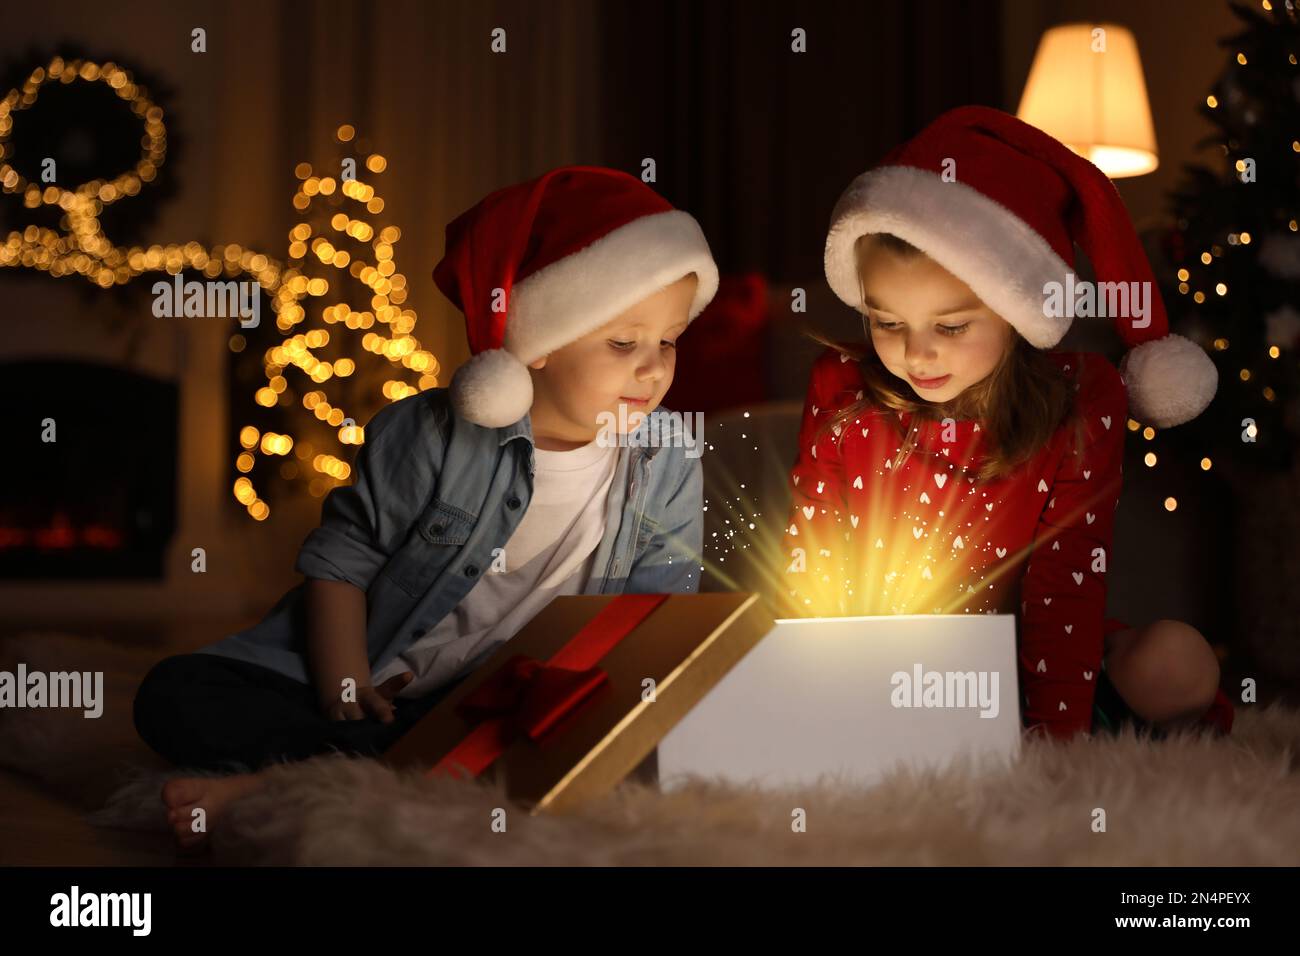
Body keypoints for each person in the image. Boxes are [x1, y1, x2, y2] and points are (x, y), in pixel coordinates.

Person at [133, 166, 719, 849]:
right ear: (539, 344)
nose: (654, 369)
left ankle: (294, 779)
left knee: (527, 736)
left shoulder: (667, 459)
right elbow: (340, 565)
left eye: (669, 340)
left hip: (492, 695)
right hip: (371, 667)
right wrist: (343, 687)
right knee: (173, 693)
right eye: (624, 343)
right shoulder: (432, 433)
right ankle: (359, 762)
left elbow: (656, 616)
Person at [782, 106, 1233, 742]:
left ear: (1016, 310)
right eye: (887, 322)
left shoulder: (1081, 400)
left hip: (1037, 661)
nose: (917, 353)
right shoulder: (841, 390)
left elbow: (1065, 583)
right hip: (892, 670)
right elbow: (810, 552)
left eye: (952, 325)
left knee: (1179, 662)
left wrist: (1052, 739)